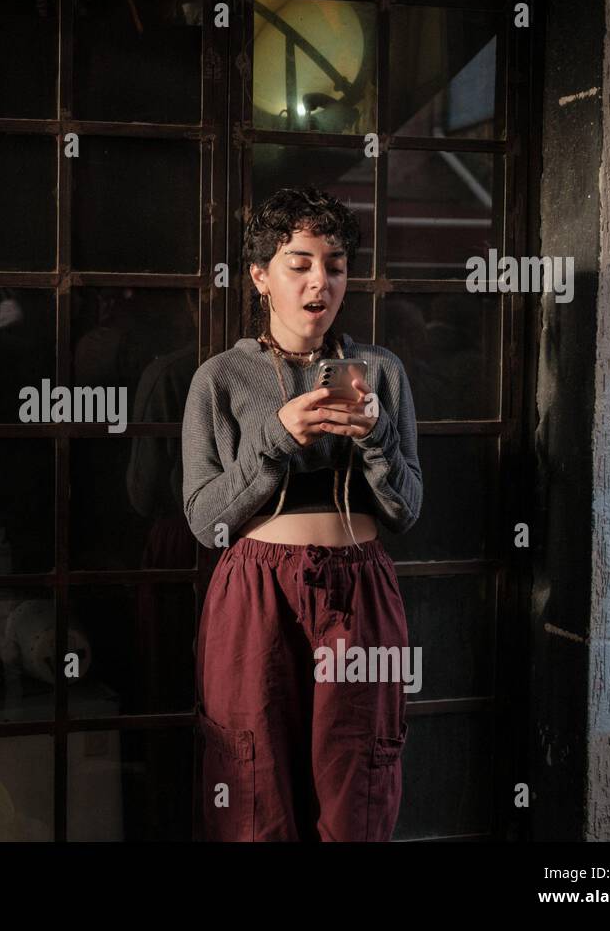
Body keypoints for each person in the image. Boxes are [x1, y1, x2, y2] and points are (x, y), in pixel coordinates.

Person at [182, 186, 423, 841]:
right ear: (261, 276)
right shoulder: (221, 378)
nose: (322, 281)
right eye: (301, 263)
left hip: (361, 585)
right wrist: (278, 438)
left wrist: (373, 435)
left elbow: (406, 510)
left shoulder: (381, 372)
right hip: (257, 589)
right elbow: (206, 522)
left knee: (361, 775)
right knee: (255, 780)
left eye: (336, 264)